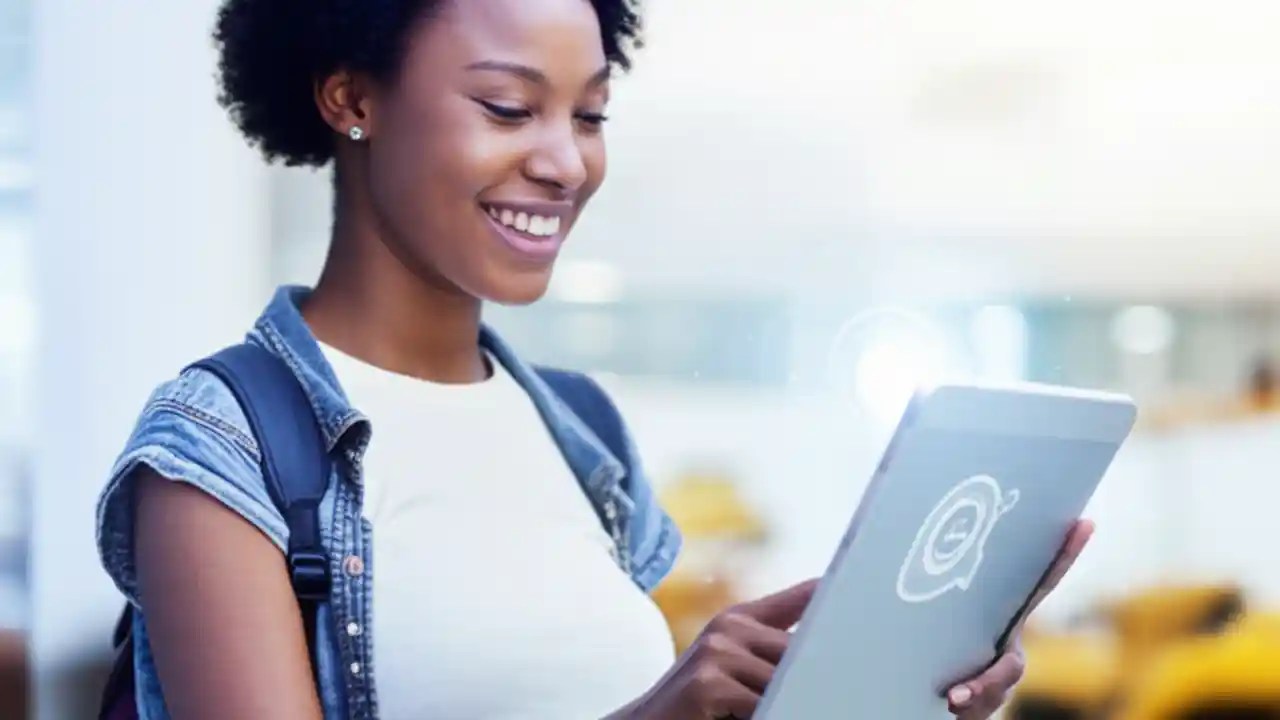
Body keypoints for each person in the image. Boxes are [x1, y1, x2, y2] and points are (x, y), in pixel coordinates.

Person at [94, 0, 1093, 718]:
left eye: (588, 113)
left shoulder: (582, 436)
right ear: (352, 97)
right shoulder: (222, 447)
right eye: (507, 107)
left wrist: (893, 691)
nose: (566, 161)